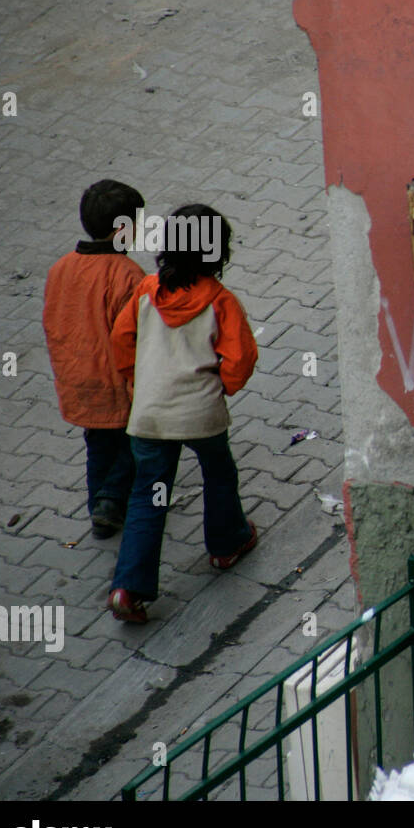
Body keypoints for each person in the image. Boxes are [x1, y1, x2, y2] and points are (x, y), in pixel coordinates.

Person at [107, 204, 259, 623]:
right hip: (201, 415)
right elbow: (240, 359)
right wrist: (221, 388)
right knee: (219, 472)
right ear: (217, 253)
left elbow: (121, 342)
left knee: (148, 495)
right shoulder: (221, 302)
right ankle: (228, 544)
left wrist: (136, 384)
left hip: (151, 417)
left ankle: (128, 588)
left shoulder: (145, 292)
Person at [43, 179, 147, 538]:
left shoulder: (60, 268)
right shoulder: (127, 275)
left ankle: (99, 511)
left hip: (77, 378)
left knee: (98, 444)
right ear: (121, 229)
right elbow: (134, 335)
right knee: (135, 440)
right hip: (115, 381)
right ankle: (112, 499)